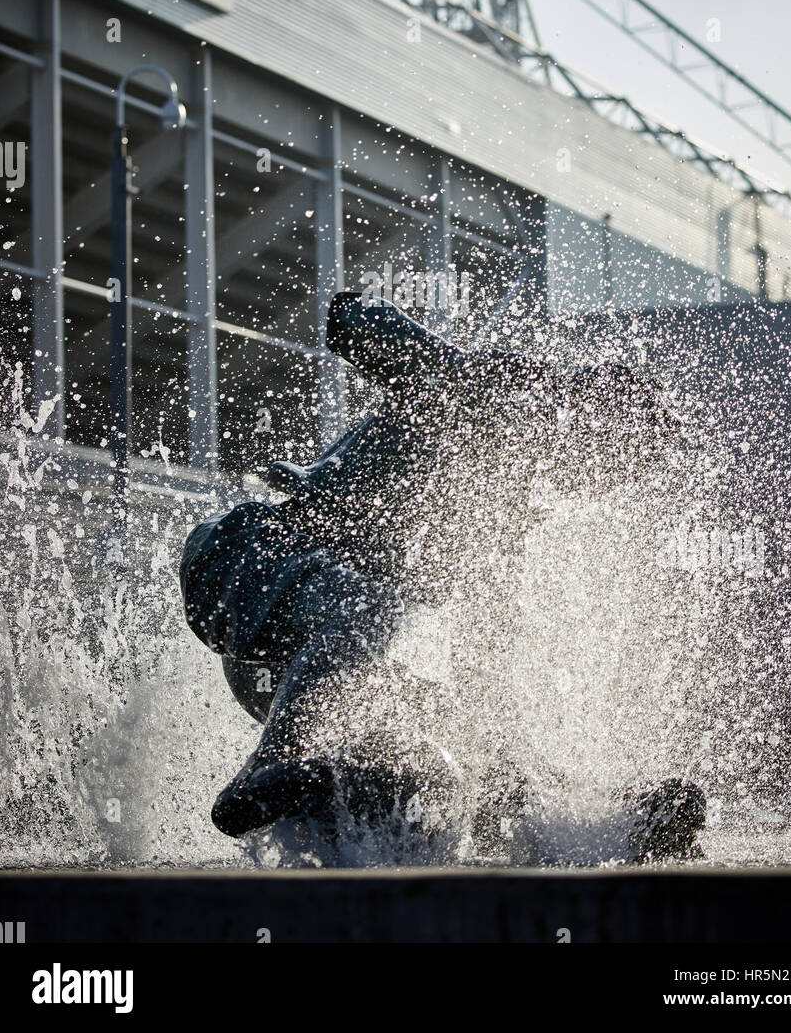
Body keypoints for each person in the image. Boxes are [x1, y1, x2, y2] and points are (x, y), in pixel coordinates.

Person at [180, 290, 683, 841]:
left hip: (303, 675)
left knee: (453, 749)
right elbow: (348, 316)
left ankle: (596, 829)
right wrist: (476, 372)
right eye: (606, 457)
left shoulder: (502, 524)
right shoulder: (467, 397)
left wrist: (506, 761)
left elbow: (483, 668)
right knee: (373, 610)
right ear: (577, 413)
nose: (590, 484)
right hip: (262, 568)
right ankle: (268, 766)